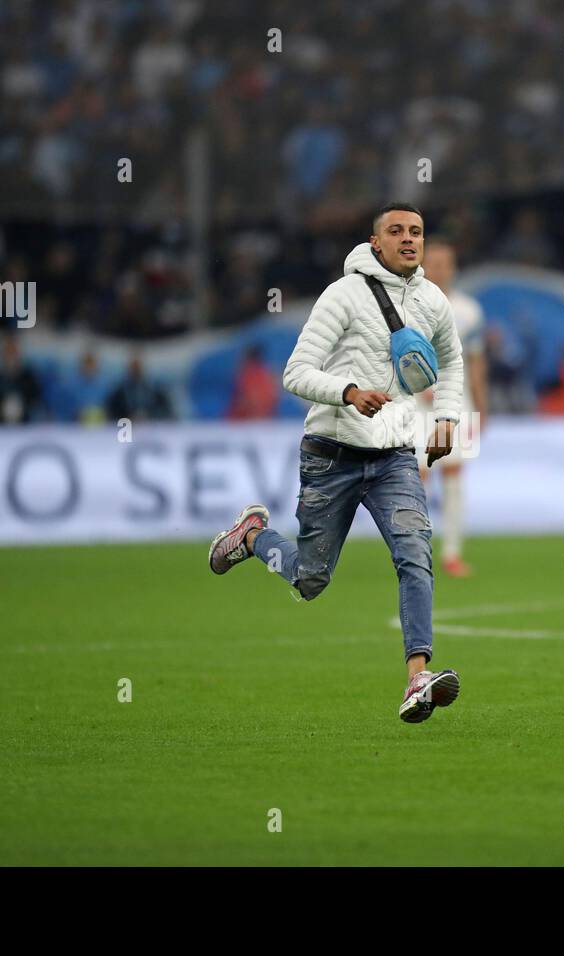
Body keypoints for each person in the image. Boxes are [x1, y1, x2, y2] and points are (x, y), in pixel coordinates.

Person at [208, 202, 466, 724]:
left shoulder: (433, 301)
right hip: (332, 454)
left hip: (394, 456)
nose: (408, 239)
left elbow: (452, 361)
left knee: (415, 554)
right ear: (375, 243)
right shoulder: (343, 294)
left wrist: (446, 419)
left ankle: (418, 677)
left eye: (416, 232)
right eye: (396, 231)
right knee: (310, 578)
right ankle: (254, 537)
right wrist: (348, 392)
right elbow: (295, 372)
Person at [417, 236, 487, 577]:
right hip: (415, 406)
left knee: (455, 475)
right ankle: (415, 553)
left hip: (459, 403)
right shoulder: (406, 305)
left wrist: (482, 404)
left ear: (454, 268)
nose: (439, 270)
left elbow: (476, 360)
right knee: (416, 478)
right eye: (433, 263)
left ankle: (452, 554)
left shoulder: (469, 311)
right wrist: (419, 386)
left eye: (445, 264)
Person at [0, 336, 43, 424]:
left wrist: (22, 407)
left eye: (13, 352)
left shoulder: (28, 378)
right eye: (7, 352)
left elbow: (37, 403)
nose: (11, 357)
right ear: (2, 355)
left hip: (26, 425)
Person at [107, 353, 172, 421]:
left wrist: (150, 416)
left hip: (151, 424)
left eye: (138, 367)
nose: (136, 370)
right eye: (134, 367)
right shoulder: (119, 393)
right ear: (129, 368)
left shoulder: (155, 390)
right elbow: (112, 412)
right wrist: (128, 417)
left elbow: (166, 411)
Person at [226, 345, 280, 420]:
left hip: (250, 418)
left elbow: (253, 400)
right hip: (253, 418)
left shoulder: (247, 374)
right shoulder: (268, 374)